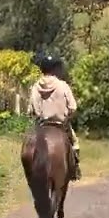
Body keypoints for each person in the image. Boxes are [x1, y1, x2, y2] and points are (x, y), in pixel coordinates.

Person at [27, 51, 81, 181]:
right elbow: (73, 107)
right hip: (60, 124)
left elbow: (31, 110)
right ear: (55, 69)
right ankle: (74, 169)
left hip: (42, 125)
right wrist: (67, 116)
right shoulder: (63, 85)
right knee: (75, 144)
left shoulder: (35, 86)